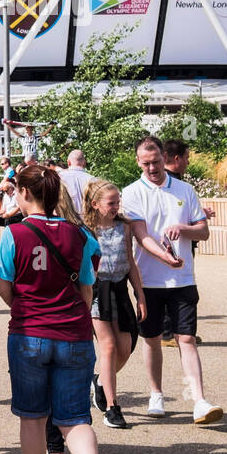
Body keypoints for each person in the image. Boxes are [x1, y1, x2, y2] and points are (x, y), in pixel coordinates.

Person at [0, 164, 108, 454]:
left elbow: (4, 287)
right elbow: (88, 288)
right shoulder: (80, 234)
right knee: (74, 417)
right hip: (73, 334)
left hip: (30, 332)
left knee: (33, 416)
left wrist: (24, 303)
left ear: (24, 194)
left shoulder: (14, 234)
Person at [121, 136, 221, 425]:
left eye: (156, 161)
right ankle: (156, 393)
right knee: (151, 339)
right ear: (138, 162)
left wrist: (183, 228)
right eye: (146, 163)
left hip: (184, 279)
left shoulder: (185, 189)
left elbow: (203, 231)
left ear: (164, 158)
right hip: (150, 279)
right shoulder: (132, 193)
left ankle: (199, 401)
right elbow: (141, 235)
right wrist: (165, 258)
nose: (152, 167)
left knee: (186, 338)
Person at [80, 180, 145, 430]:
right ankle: (112, 407)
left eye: (118, 201)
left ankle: (100, 381)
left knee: (125, 348)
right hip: (97, 290)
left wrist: (140, 295)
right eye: (111, 202)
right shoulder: (86, 229)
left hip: (119, 289)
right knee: (107, 347)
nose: (116, 206)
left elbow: (130, 261)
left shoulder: (124, 227)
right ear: (95, 204)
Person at [0, 176, 21, 243]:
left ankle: (7, 240)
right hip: (7, 214)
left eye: (6, 190)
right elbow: (3, 209)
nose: (5, 192)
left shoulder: (17, 195)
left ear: (11, 188)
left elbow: (18, 208)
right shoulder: (6, 195)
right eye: (4, 191)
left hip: (17, 215)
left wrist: (9, 214)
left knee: (8, 220)